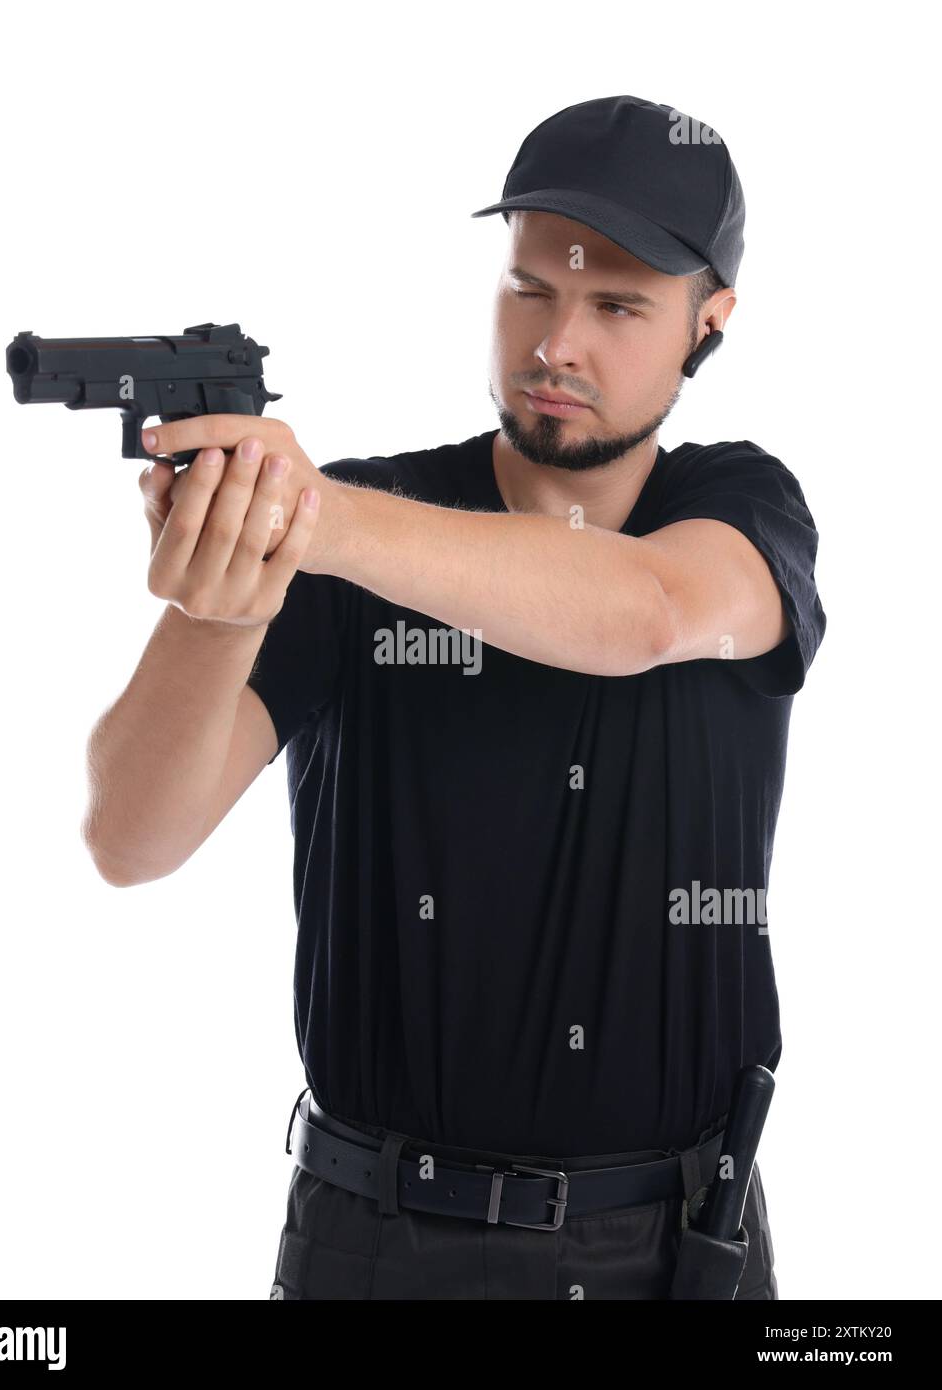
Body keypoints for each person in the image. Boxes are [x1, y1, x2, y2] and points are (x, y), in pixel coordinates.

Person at [85, 95, 826, 1300]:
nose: (556, 344)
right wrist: (225, 592)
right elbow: (128, 836)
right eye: (529, 288)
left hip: (667, 1248)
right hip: (371, 1242)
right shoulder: (357, 533)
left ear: (709, 324)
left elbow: (641, 613)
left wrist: (308, 513)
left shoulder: (739, 513)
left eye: (618, 305)